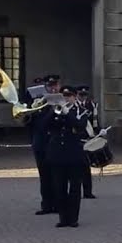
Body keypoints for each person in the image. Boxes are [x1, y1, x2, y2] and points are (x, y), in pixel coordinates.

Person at [47, 86, 91, 228]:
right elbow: (45, 126)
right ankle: (63, 218)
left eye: (69, 95)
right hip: (57, 154)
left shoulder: (81, 111)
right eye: (64, 95)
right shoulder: (55, 111)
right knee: (59, 188)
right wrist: (52, 111)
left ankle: (73, 218)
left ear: (74, 97)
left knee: (74, 188)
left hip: (74, 155)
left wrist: (67, 113)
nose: (66, 98)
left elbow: (80, 127)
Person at [27, 74, 60, 215]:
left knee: (57, 176)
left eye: (55, 86)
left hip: (56, 143)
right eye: (49, 86)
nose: (53, 89)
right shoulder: (38, 102)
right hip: (40, 143)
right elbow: (32, 123)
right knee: (44, 175)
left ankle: (58, 204)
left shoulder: (62, 100)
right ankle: (46, 205)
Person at [75, 85, 98, 199]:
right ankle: (76, 191)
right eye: (81, 95)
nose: (83, 97)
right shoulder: (74, 106)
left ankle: (87, 192)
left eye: (85, 95)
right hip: (76, 139)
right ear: (77, 94)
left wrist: (98, 132)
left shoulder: (91, 105)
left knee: (86, 167)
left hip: (87, 138)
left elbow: (94, 121)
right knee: (76, 167)